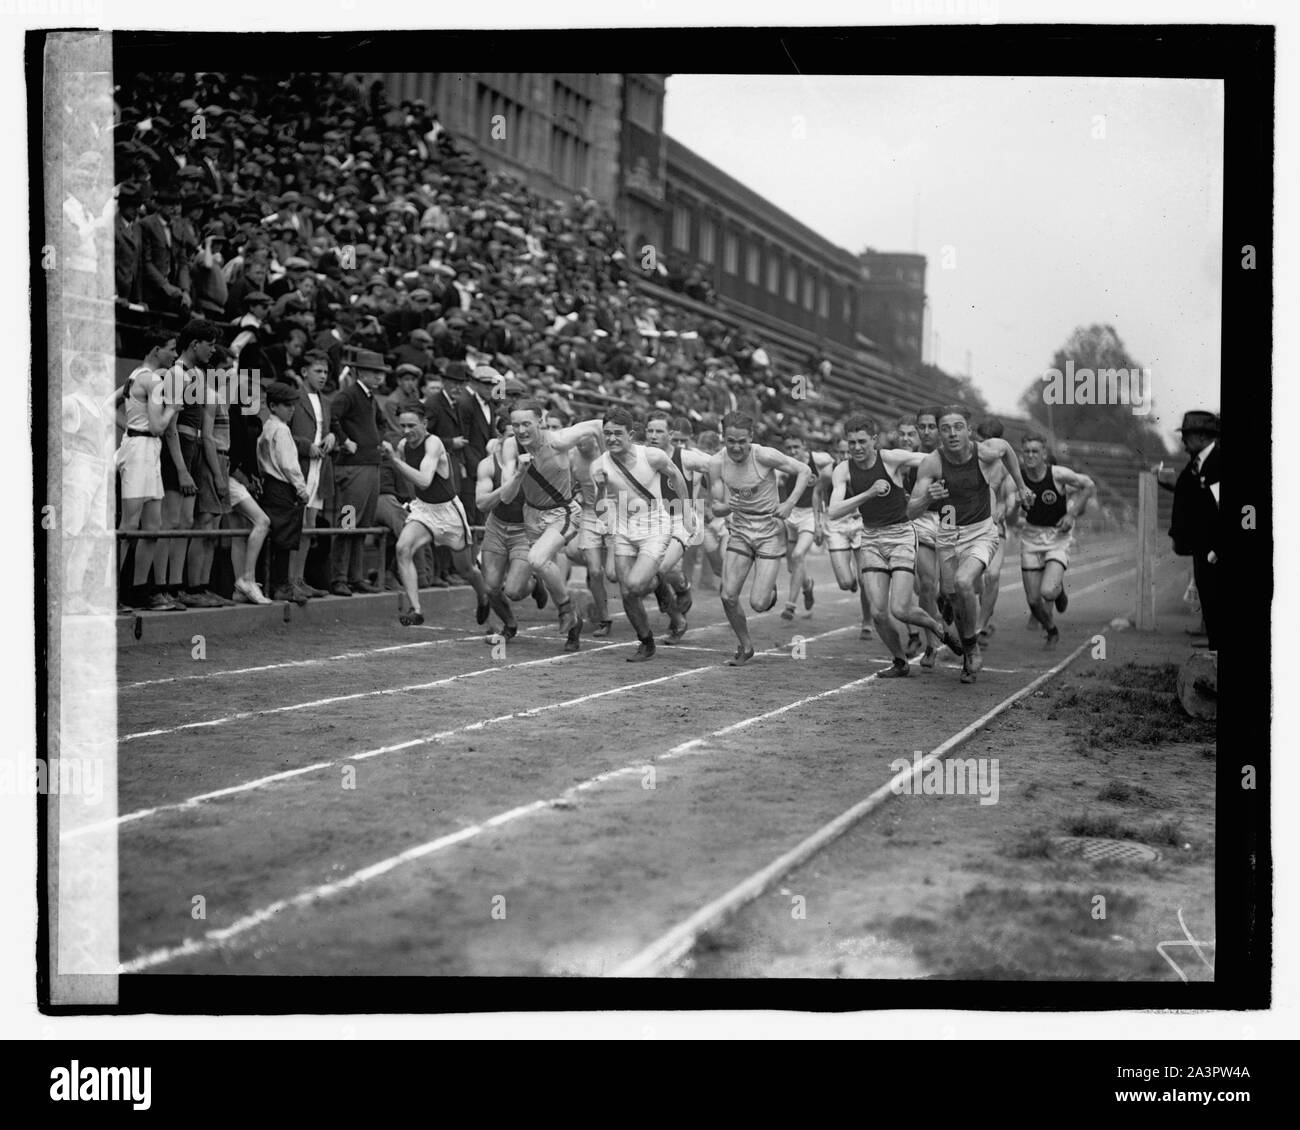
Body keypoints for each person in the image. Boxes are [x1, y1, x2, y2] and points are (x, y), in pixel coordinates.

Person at [906, 405, 1034, 683]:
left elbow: (1007, 449)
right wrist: (928, 497)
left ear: (969, 430)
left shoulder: (985, 452)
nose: (952, 434)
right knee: (952, 595)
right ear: (939, 433)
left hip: (981, 533)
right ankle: (967, 644)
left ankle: (971, 648)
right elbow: (911, 512)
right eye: (945, 429)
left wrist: (1021, 485)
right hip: (947, 536)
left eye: (958, 427)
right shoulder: (932, 463)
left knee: (964, 583)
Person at [828, 413, 962, 677]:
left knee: (900, 609)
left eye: (862, 441)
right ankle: (900, 661)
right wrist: (868, 493)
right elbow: (833, 511)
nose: (856, 447)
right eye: (852, 442)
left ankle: (936, 628)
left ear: (874, 440)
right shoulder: (843, 470)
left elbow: (931, 460)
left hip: (901, 536)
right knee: (878, 613)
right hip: (871, 539)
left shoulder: (890, 459)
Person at [707, 411, 813, 666]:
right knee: (728, 595)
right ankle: (745, 646)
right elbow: (716, 507)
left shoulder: (764, 455)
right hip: (740, 530)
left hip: (769, 531)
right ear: (723, 438)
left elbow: (804, 470)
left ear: (751, 437)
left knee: (758, 603)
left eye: (742, 441)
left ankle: (769, 588)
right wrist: (726, 507)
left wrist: (789, 503)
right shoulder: (716, 463)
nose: (736, 447)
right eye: (731, 441)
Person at [383, 405, 503, 627]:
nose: (407, 431)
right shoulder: (402, 446)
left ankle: (483, 596)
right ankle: (416, 609)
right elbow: (412, 480)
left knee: (465, 569)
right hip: (424, 510)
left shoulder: (434, 443)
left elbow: (424, 480)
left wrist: (395, 461)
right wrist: (412, 502)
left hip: (448, 512)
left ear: (424, 424)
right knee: (403, 548)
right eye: (403, 426)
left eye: (411, 425)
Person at [499, 400, 603, 651]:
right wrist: (519, 473)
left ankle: (567, 610)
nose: (521, 430)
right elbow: (506, 496)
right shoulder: (511, 446)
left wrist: (605, 461)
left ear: (540, 422)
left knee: (537, 559)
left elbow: (598, 425)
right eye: (516, 425)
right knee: (513, 591)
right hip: (532, 517)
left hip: (562, 513)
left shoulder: (558, 440)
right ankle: (567, 615)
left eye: (527, 424)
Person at [592, 408, 694, 661]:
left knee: (635, 586)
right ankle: (646, 641)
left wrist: (687, 511)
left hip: (655, 529)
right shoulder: (600, 465)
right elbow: (600, 511)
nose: (612, 438)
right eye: (607, 433)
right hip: (624, 531)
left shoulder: (651, 456)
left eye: (618, 433)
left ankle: (658, 581)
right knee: (627, 592)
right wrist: (601, 488)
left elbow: (677, 476)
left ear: (631, 434)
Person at [115, 328, 181, 611]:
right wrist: (173, 408)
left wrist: (130, 429)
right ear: (157, 350)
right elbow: (157, 426)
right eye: (171, 348)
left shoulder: (137, 376)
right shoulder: (151, 380)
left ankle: (140, 591)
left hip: (146, 448)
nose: (175, 354)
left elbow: (109, 405)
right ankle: (110, 592)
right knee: (129, 525)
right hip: (141, 450)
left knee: (153, 527)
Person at [1017, 433, 1095, 646]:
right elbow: (1008, 509)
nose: (1030, 455)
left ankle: (1057, 591)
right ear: (1021, 454)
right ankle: (1051, 629)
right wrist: (1013, 508)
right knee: (1033, 601)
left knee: (1048, 591)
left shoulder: (1059, 474)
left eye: (1035, 451)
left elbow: (1089, 485)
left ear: (1044, 453)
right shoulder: (1017, 478)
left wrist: (1071, 514)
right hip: (1030, 538)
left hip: (1057, 537)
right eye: (1026, 451)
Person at [644, 413, 710, 644]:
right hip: (653, 521)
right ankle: (683, 587)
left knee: (658, 569)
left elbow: (720, 465)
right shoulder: (641, 455)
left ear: (670, 434)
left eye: (659, 431)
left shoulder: (687, 457)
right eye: (650, 431)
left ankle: (677, 620)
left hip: (681, 520)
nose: (653, 436)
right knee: (662, 573)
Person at [328, 349, 388, 596]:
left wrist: (376, 440)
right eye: (374, 372)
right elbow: (332, 417)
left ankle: (355, 576)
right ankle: (339, 577)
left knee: (361, 524)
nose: (379, 376)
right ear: (360, 372)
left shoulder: (368, 396)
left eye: (380, 372)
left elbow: (382, 423)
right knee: (348, 521)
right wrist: (345, 440)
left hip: (369, 464)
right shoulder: (349, 394)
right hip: (353, 467)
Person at [1164, 410, 1220, 650]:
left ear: (1201, 436)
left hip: (1213, 550)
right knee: (1209, 602)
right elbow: (1192, 494)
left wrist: (1216, 550)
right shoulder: (1197, 464)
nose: (1183, 441)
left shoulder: (1217, 463)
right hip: (1201, 548)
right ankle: (1215, 653)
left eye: (1187, 435)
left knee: (1216, 603)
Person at [256, 381, 314, 602]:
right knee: (284, 538)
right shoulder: (281, 429)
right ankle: (281, 585)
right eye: (286, 405)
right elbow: (289, 465)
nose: (292, 409)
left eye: (293, 405)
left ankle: (272, 584)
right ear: (273, 406)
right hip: (282, 486)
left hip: (269, 485)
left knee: (274, 538)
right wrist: (301, 489)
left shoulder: (267, 427)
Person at [287, 350, 336, 601]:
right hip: (300, 467)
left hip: (319, 469)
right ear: (304, 372)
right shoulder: (293, 398)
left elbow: (329, 430)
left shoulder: (326, 401)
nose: (323, 376)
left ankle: (300, 579)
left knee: (310, 526)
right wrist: (307, 447)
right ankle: (289, 581)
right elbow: (281, 433)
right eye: (318, 371)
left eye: (326, 372)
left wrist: (332, 436)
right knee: (296, 527)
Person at [777, 434, 833, 621]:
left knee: (798, 554)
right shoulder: (784, 462)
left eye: (796, 447)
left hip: (810, 514)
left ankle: (790, 606)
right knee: (792, 565)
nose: (793, 451)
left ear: (804, 446)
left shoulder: (817, 459)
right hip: (791, 514)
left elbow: (831, 461)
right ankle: (807, 585)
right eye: (789, 448)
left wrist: (825, 479)